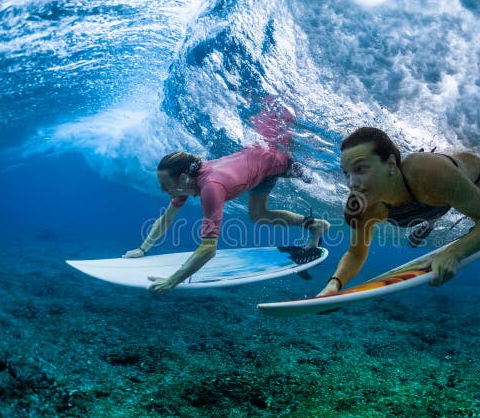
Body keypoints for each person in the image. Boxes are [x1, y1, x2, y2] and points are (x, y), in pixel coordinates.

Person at [124, 99, 329, 294]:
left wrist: (171, 282)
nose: (163, 190)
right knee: (258, 215)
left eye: (166, 185)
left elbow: (208, 249)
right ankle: (315, 225)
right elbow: (167, 218)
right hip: (257, 160)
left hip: (277, 162)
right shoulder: (187, 182)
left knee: (315, 182)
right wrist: (143, 249)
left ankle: (317, 210)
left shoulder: (210, 188)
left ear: (184, 178)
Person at [318, 126, 480, 296]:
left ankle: (455, 215)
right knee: (434, 204)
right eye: (347, 174)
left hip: (479, 177)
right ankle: (431, 222)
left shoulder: (429, 172)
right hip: (434, 201)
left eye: (360, 169)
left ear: (391, 163)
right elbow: (355, 253)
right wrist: (335, 283)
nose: (352, 183)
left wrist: (452, 254)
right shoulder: (362, 205)